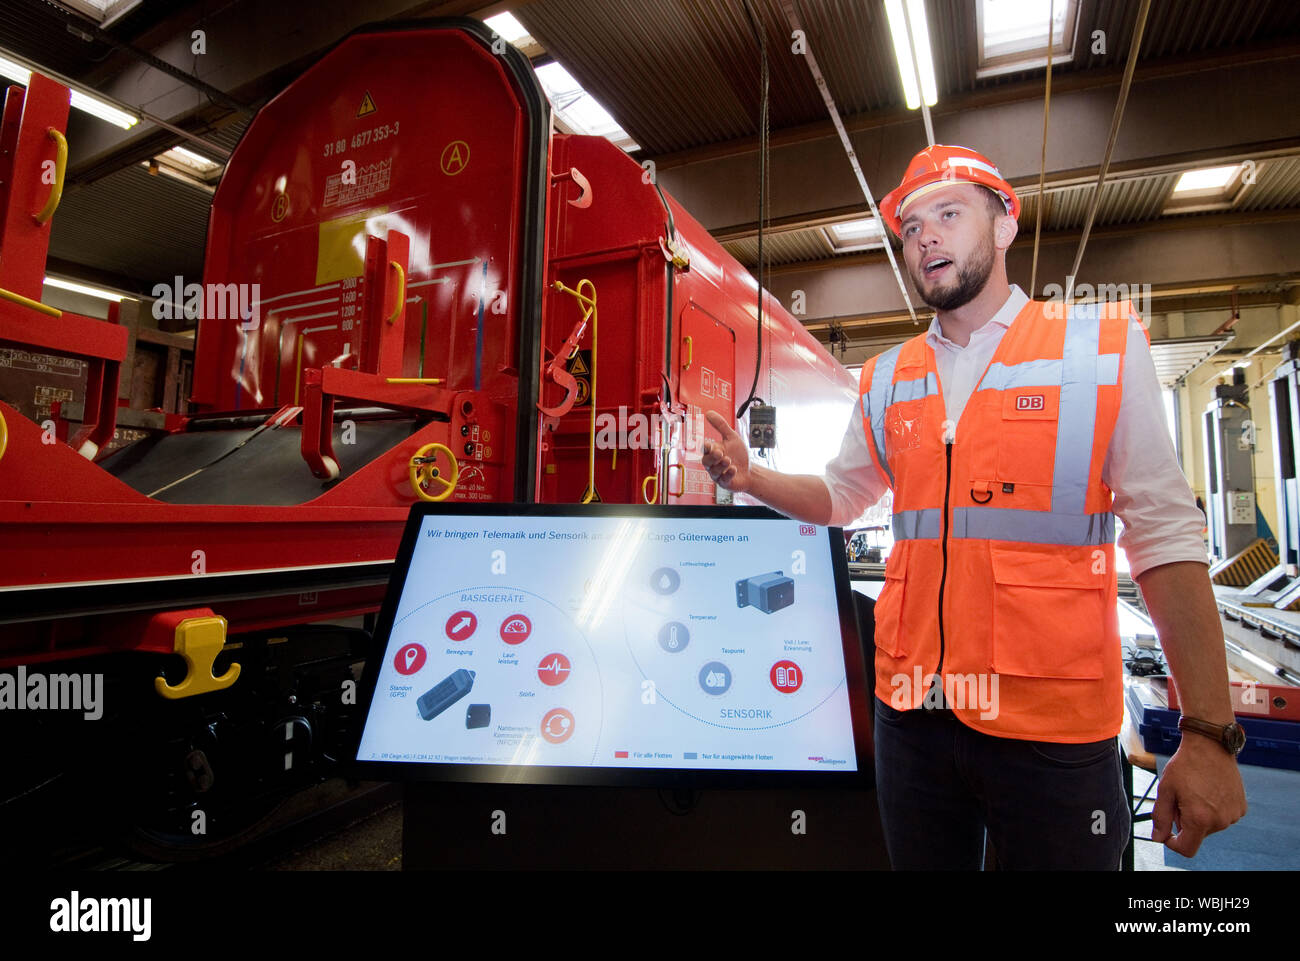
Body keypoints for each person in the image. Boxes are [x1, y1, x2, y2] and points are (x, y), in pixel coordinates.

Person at [701, 144, 1248, 870]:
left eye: (948, 215)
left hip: (1051, 732)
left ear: (1003, 226)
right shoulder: (887, 376)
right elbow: (841, 495)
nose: (924, 236)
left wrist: (1207, 730)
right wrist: (751, 477)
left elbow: (1164, 534)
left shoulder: (1099, 349)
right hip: (914, 717)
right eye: (910, 228)